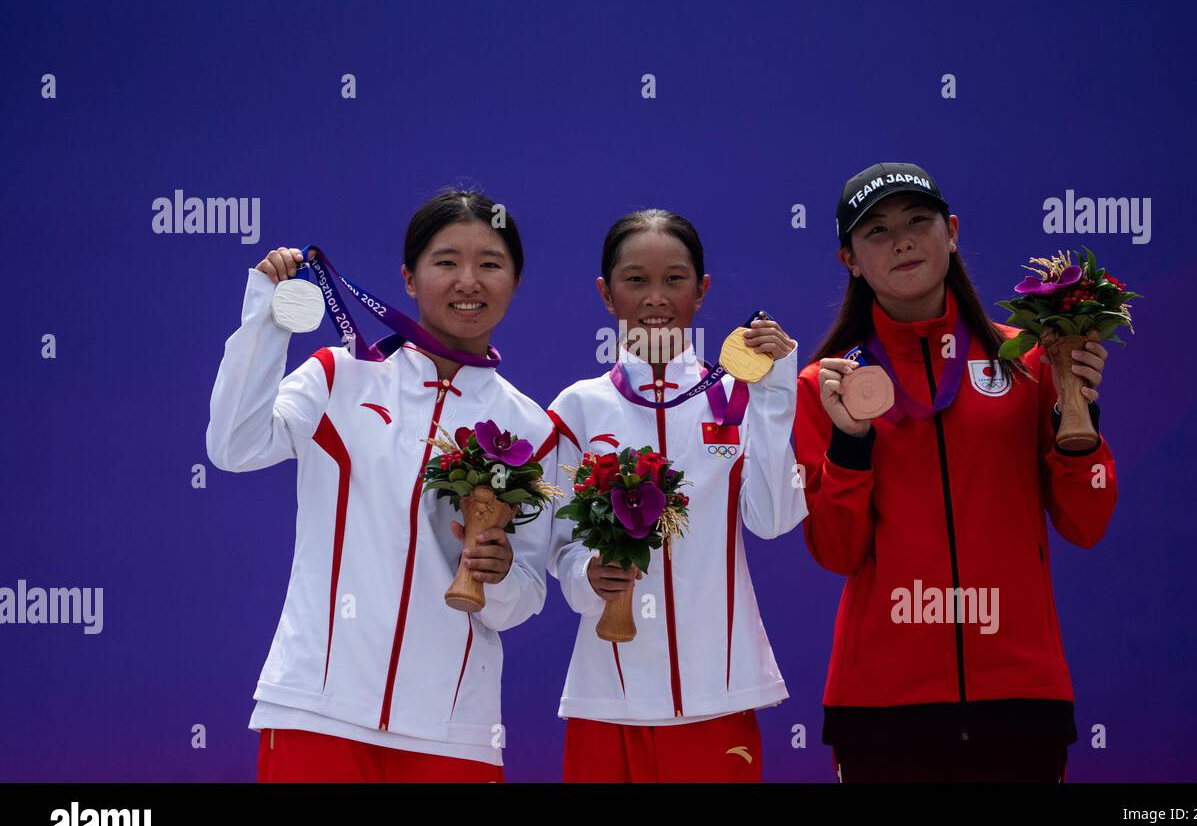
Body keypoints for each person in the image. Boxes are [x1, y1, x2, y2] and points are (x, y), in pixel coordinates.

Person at [206, 189, 555, 782]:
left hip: (453, 732)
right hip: (316, 710)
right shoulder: (338, 376)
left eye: (490, 264)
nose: (468, 280)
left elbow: (522, 599)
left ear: (516, 282)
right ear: (409, 278)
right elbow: (233, 446)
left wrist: (495, 580)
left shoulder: (532, 428)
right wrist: (266, 319)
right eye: (446, 262)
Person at [793, 162, 1118, 782]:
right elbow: (836, 551)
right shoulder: (827, 387)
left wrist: (1080, 422)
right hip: (881, 704)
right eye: (878, 231)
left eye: (918, 220)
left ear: (953, 230)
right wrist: (852, 443)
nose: (903, 240)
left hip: (1021, 693)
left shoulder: (1030, 362)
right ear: (850, 260)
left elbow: (1086, 521)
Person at [544, 209, 807, 782]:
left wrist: (777, 392)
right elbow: (556, 548)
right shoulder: (577, 409)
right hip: (606, 697)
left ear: (702, 290)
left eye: (675, 279)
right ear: (606, 294)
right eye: (636, 280)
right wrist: (586, 573)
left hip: (720, 694)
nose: (656, 298)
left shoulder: (738, 397)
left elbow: (774, 518)